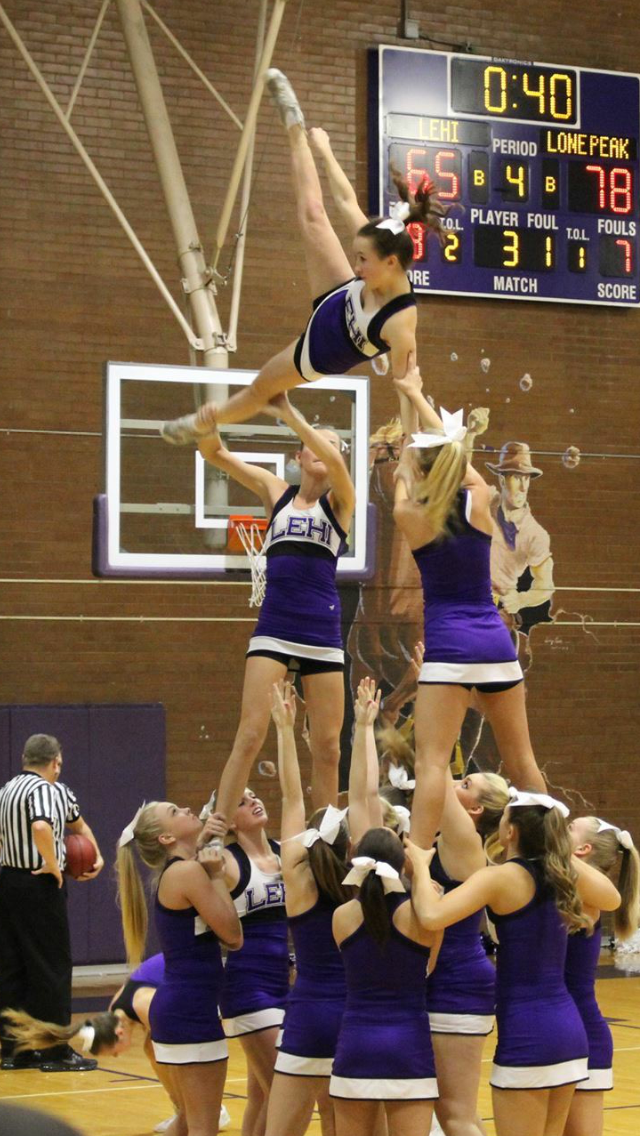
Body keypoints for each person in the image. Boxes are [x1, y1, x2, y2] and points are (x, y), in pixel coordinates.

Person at [160, 69, 445, 442]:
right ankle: (293, 121)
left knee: (263, 388)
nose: (355, 265)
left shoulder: (401, 322)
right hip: (339, 298)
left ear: (390, 264)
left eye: (362, 260)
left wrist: (410, 448)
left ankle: (201, 423)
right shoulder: (380, 243)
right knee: (313, 212)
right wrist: (323, 149)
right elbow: (344, 199)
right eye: (355, 256)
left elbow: (406, 388)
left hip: (326, 346)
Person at [391, 366, 546, 849]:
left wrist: (405, 455)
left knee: (431, 762)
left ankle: (414, 861)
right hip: (494, 639)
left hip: (449, 645)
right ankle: (551, 852)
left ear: (418, 472)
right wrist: (417, 393)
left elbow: (410, 470)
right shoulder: (480, 499)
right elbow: (452, 456)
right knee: (522, 762)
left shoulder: (408, 514)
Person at [407, 791, 622, 1136]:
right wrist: (556, 851)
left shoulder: (500, 878)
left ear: (511, 832)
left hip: (527, 1034)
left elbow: (432, 916)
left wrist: (419, 866)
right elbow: (612, 898)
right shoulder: (561, 874)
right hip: (570, 1033)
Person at [197, 393, 354, 831]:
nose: (326, 451)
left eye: (334, 446)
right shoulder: (275, 492)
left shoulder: (342, 500)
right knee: (250, 733)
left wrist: (290, 413)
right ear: (298, 455)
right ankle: (218, 827)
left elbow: (336, 465)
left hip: (322, 629)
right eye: (316, 444)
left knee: (327, 748)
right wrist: (207, 424)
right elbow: (215, 454)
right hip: (276, 624)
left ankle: (323, 838)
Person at [116, 801, 242, 1136]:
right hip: (187, 1010)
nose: (186, 809)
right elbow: (232, 935)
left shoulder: (184, 868)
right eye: (175, 812)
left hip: (187, 1007)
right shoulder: (186, 872)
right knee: (203, 1128)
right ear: (166, 838)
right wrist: (215, 873)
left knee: (189, 1123)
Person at [265, 678, 352, 1136]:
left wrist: (284, 728)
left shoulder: (298, 879)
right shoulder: (364, 885)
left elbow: (292, 797)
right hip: (354, 1014)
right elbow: (369, 802)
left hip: (308, 1013)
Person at [329, 825, 442, 1136]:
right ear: (402, 861)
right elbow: (427, 968)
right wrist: (421, 878)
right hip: (409, 1048)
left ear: (356, 857)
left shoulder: (341, 917)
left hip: (355, 1045)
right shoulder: (422, 916)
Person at [0, 733, 103, 1072]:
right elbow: (43, 825)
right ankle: (55, 1051)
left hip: (7, 882)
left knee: (13, 968)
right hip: (39, 882)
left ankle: (16, 1050)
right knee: (52, 967)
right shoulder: (49, 789)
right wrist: (53, 863)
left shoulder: (6, 791)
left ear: (24, 759)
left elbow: (79, 826)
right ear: (56, 762)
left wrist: (95, 855)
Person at [426, 769, 510, 1136]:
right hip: (443, 981)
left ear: (475, 809)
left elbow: (434, 767)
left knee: (453, 1113)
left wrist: (436, 715)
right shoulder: (451, 837)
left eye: (466, 785)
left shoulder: (464, 840)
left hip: (456, 984)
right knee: (457, 1110)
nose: (457, 782)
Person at [206, 789, 289, 1136]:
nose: (255, 800)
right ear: (229, 820)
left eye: (255, 795)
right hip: (247, 985)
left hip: (287, 982)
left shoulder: (287, 852)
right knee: (284, 1086)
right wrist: (205, 827)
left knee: (263, 1096)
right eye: (241, 801)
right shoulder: (225, 861)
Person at [563, 816, 640, 1136]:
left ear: (582, 849)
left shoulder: (588, 900)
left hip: (584, 1032)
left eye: (568, 828)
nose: (558, 828)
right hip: (559, 1030)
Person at [486, 443, 555, 635]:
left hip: (496, 609)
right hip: (462, 598)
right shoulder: (486, 499)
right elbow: (458, 476)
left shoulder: (535, 534)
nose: (524, 486)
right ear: (502, 479)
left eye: (527, 478)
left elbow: (545, 585)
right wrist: (472, 436)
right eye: (517, 477)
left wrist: (521, 600)